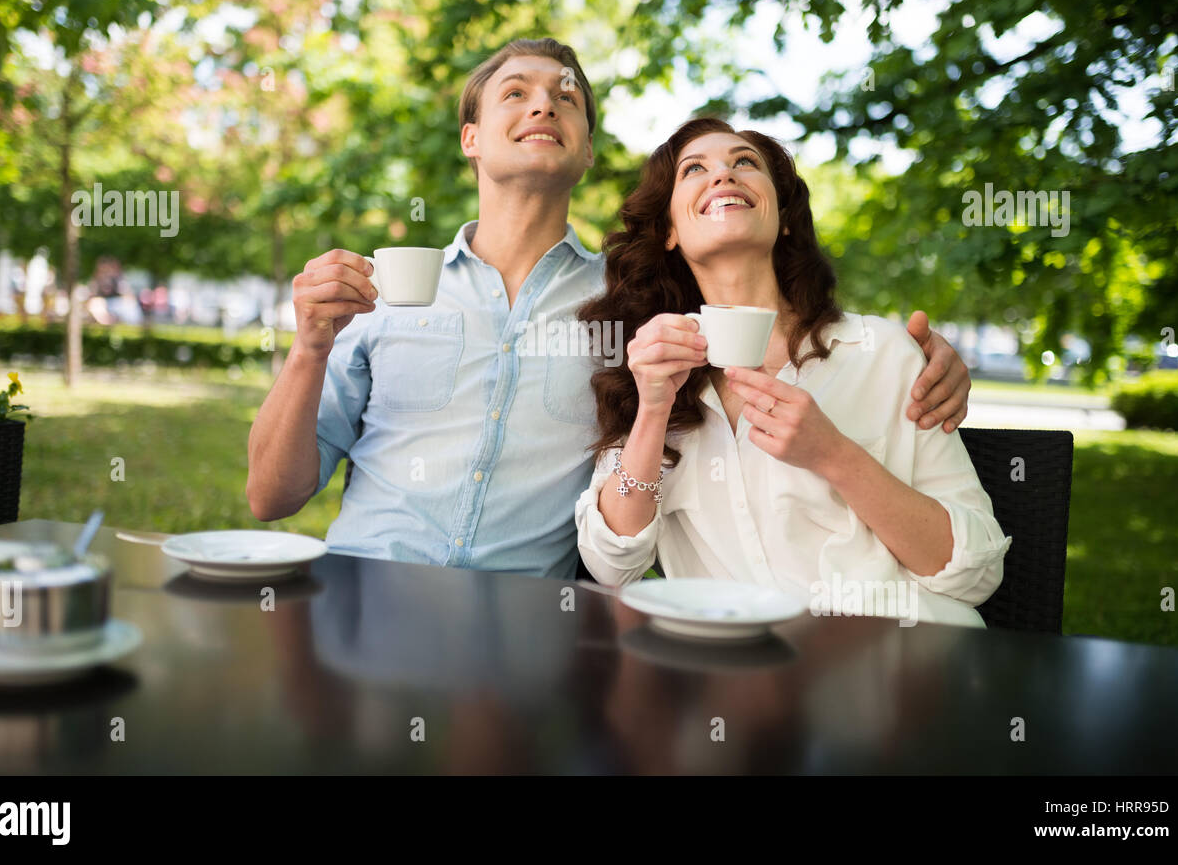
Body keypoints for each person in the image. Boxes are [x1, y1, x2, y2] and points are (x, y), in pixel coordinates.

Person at [246, 39, 973, 580]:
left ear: (587, 147)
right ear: (471, 138)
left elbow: (753, 304)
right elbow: (270, 497)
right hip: (359, 596)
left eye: (566, 98)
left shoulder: (632, 309)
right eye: (516, 93)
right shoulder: (381, 293)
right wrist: (309, 349)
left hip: (525, 632)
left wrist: (923, 355)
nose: (543, 104)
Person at [574, 117, 1009, 626]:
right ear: (669, 231)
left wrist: (833, 455)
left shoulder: (883, 352)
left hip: (898, 664)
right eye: (695, 169)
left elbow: (976, 574)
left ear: (782, 217)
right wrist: (651, 413)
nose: (723, 176)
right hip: (744, 682)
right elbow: (611, 564)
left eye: (744, 163)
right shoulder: (649, 369)